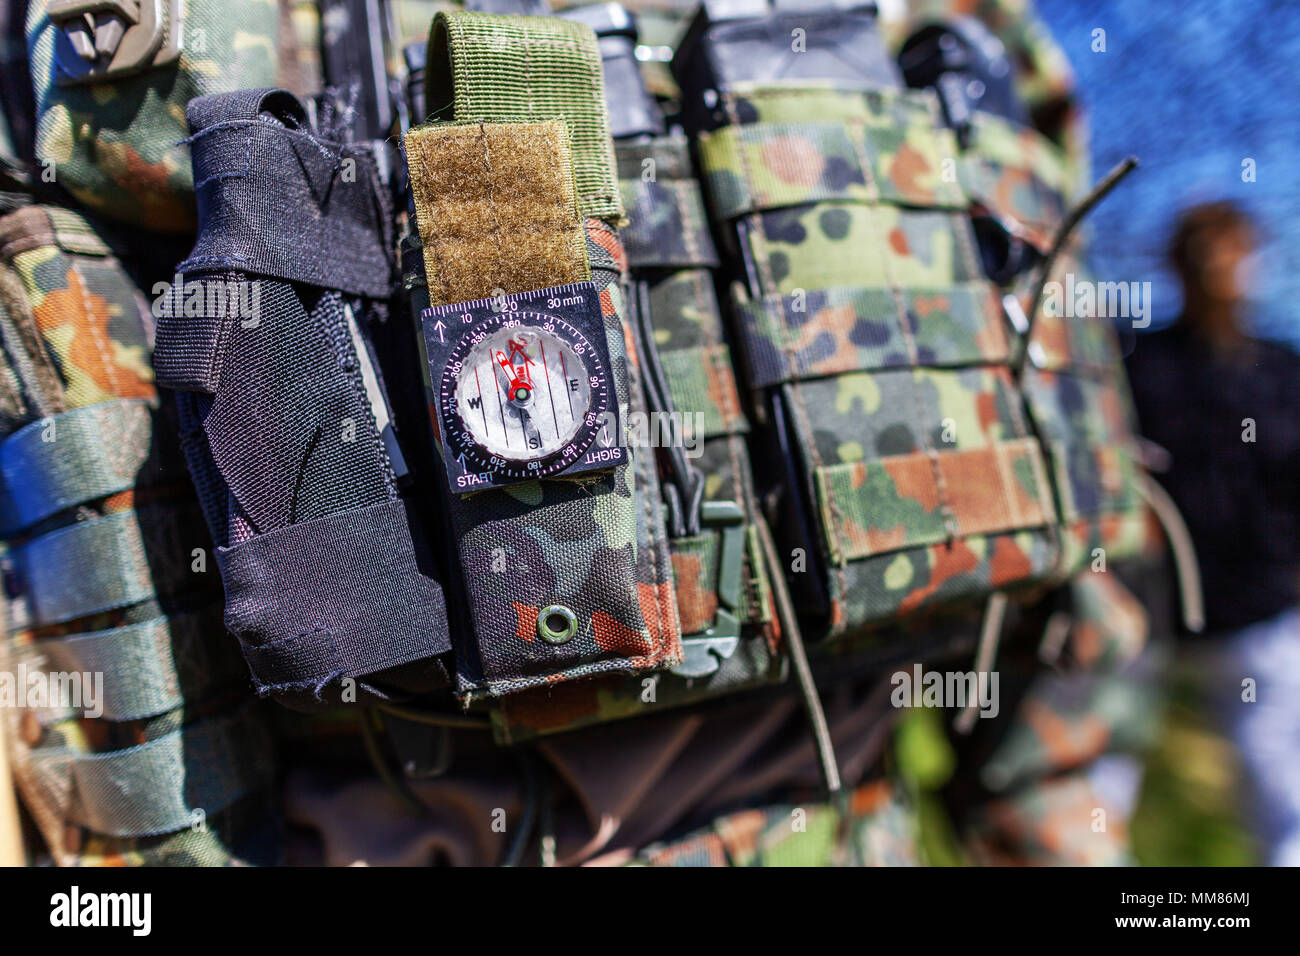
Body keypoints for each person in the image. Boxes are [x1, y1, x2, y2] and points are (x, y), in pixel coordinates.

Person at [1126, 200, 1300, 865]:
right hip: (1147, 615)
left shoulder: (1283, 372)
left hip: (1260, 619)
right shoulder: (1141, 364)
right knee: (1098, 770)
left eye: (1230, 249)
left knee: (1278, 788)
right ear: (1176, 265)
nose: (1215, 265)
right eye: (1199, 250)